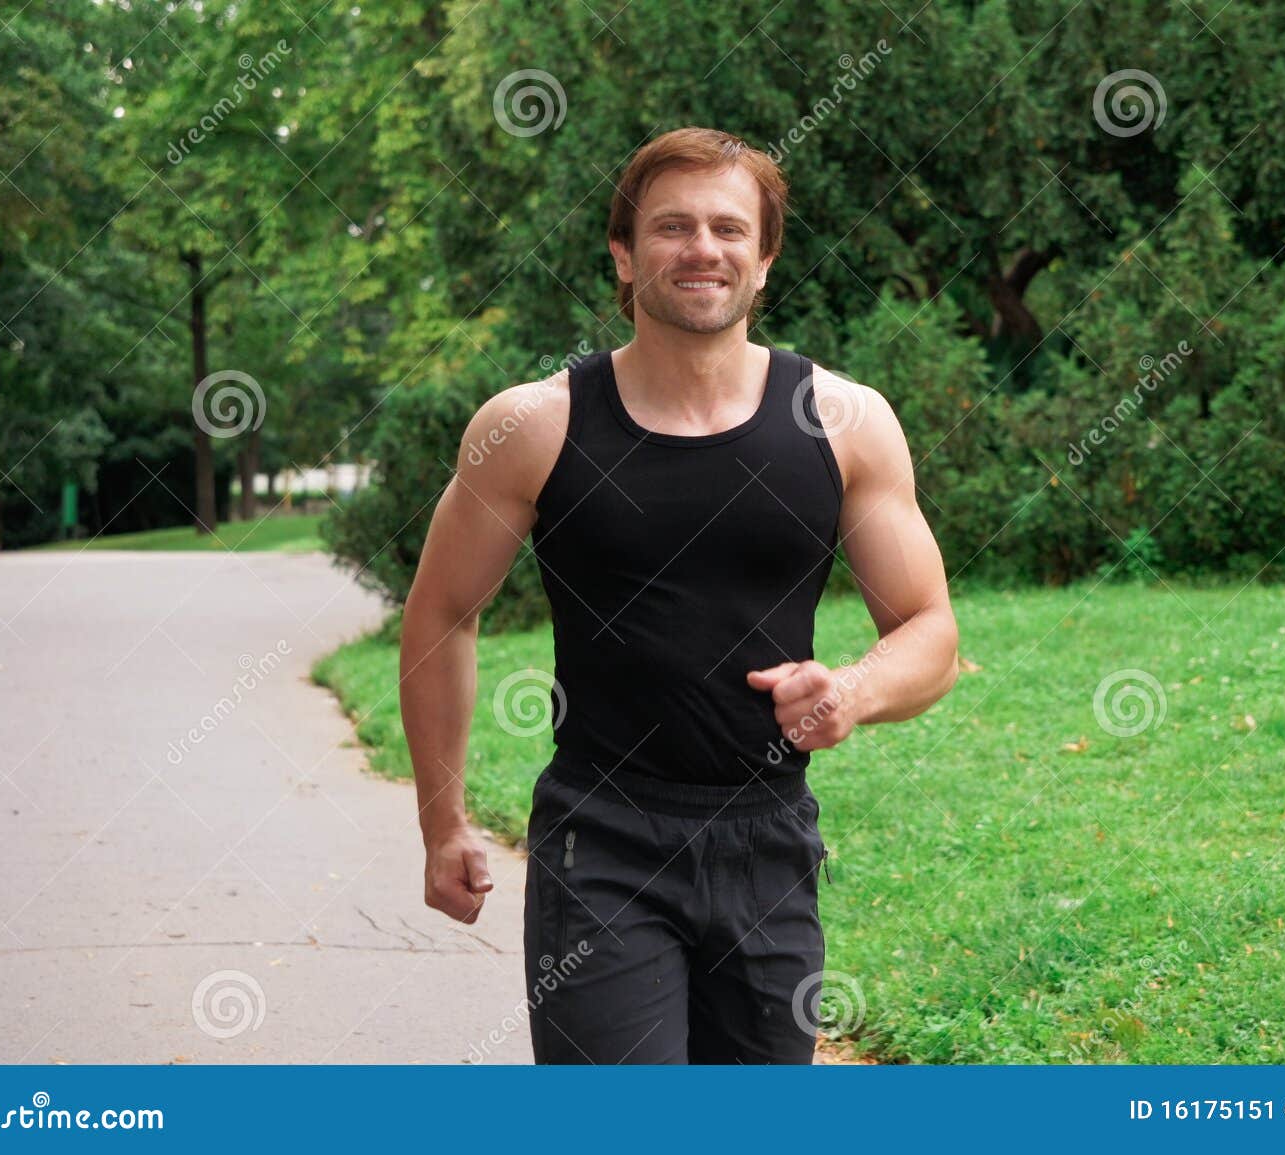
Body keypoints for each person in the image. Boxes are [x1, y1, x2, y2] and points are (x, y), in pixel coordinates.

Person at [399, 125, 959, 1063]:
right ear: (623, 253)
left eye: (731, 229)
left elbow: (931, 631)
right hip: (601, 838)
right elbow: (442, 613)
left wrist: (852, 691)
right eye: (673, 227)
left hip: (770, 841)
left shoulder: (842, 421)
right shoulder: (535, 426)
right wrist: (442, 818)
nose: (704, 248)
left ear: (766, 259)